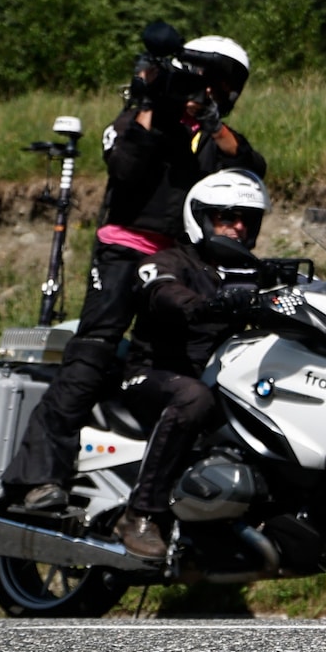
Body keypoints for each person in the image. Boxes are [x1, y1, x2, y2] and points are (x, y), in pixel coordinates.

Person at [4, 26, 265, 511]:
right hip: (125, 251)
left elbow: (251, 170)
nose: (206, 95)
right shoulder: (138, 118)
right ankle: (38, 477)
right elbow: (124, 167)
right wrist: (148, 101)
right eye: (203, 86)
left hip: (179, 257)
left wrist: (212, 125)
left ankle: (175, 476)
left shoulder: (209, 138)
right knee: (93, 350)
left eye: (219, 90)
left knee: (193, 354)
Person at [114, 169, 272, 559]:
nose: (238, 226)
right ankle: (140, 514)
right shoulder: (170, 261)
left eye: (246, 219)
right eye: (226, 217)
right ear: (200, 218)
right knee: (193, 397)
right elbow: (160, 290)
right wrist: (205, 305)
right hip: (153, 375)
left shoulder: (250, 271)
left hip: (216, 378)